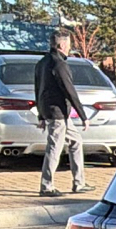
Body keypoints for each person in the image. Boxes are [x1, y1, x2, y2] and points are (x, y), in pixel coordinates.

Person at [33, 28, 95, 197]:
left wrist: (41, 114)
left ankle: (79, 183)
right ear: (61, 45)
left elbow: (38, 89)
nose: (69, 48)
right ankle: (46, 186)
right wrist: (83, 116)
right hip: (57, 113)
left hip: (54, 112)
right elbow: (69, 90)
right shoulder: (60, 64)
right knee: (54, 147)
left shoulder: (42, 63)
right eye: (68, 44)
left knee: (76, 142)